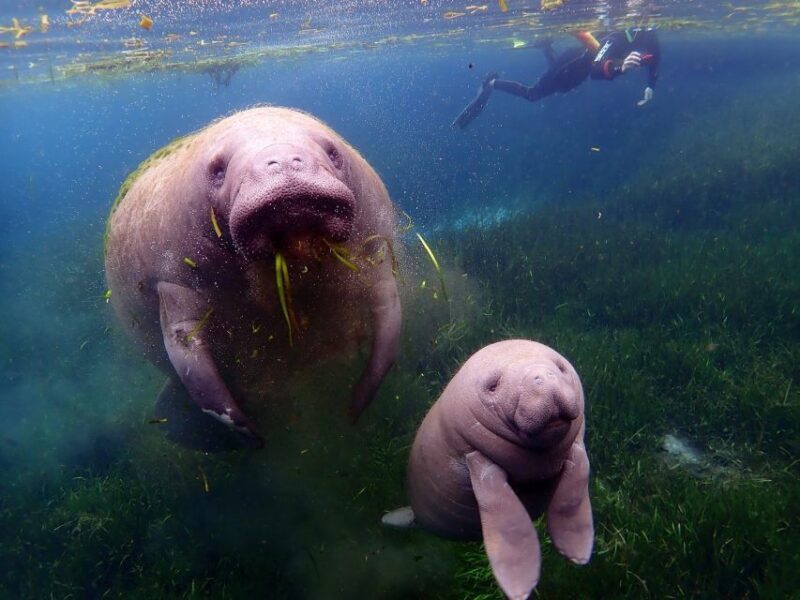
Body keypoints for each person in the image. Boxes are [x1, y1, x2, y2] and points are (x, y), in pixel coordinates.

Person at [452, 28, 661, 129]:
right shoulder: (616, 37)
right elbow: (597, 71)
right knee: (533, 94)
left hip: (575, 67)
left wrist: (650, 85)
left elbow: (655, 56)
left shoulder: (649, 35)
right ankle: (492, 82)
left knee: (562, 85)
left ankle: (545, 46)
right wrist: (620, 69)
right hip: (572, 64)